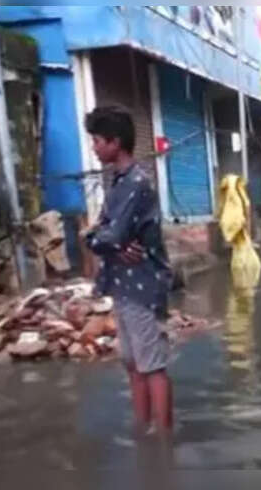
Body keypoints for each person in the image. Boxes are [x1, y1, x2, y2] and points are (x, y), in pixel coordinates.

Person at [83, 106, 174, 437]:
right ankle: (143, 430)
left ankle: (163, 439)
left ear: (115, 142)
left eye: (97, 140)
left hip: (143, 286)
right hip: (122, 283)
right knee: (133, 364)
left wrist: (100, 238)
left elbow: (109, 234)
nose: (93, 147)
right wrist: (103, 238)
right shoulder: (119, 182)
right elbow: (103, 233)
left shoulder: (136, 183)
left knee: (152, 365)